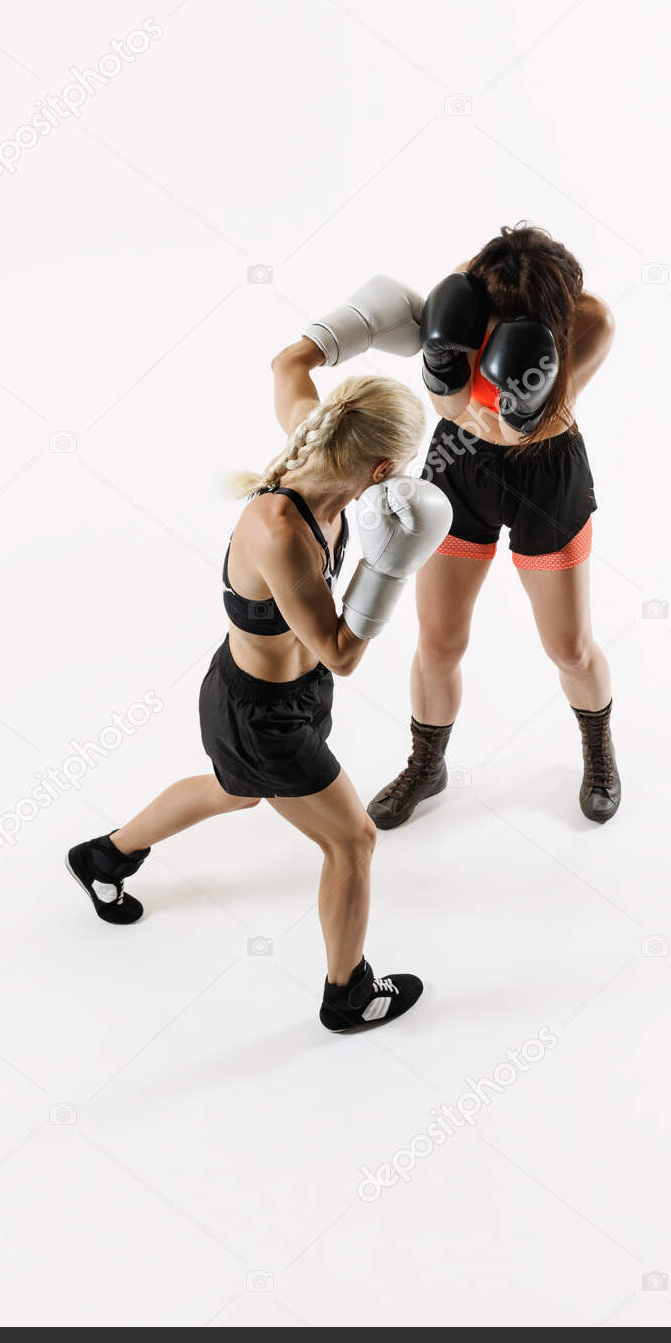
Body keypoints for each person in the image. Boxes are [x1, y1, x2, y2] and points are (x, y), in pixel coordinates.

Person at [67, 277, 450, 1032]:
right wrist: (392, 564)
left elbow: (289, 363)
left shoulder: (319, 436)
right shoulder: (281, 533)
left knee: (235, 791)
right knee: (353, 840)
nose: (407, 480)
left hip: (261, 699)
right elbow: (340, 652)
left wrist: (362, 325)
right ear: (379, 471)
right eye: (404, 468)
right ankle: (349, 994)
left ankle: (103, 857)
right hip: (266, 717)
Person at [366, 223, 621, 830]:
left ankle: (598, 751)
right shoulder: (466, 293)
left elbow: (518, 428)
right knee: (438, 642)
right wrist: (443, 364)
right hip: (459, 468)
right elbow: (450, 408)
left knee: (570, 648)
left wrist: (510, 403)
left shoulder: (591, 322)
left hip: (546, 472)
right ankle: (427, 764)